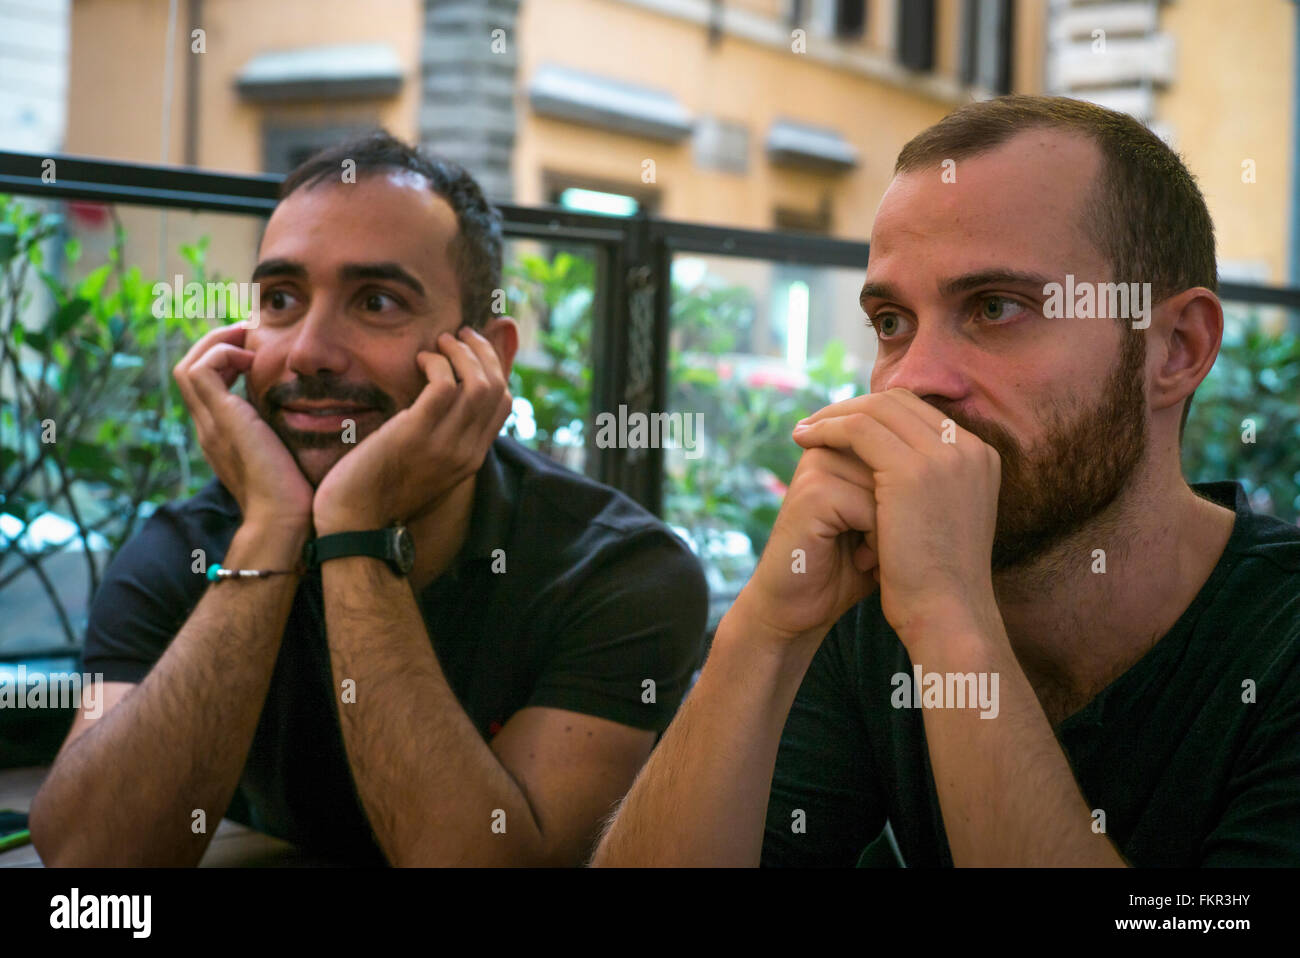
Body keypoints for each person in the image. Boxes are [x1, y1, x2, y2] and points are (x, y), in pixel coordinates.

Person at [591, 94, 1300, 867]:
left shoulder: (1278, 643)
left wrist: (949, 620)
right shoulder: (866, 616)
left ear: (1175, 349)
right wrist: (765, 632)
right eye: (892, 323)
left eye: (996, 308)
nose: (916, 380)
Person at [30, 131, 708, 867]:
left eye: (376, 301)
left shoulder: (619, 571)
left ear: (488, 358)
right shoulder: (188, 546)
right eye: (281, 299)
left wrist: (354, 530)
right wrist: (273, 529)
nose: (308, 351)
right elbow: (91, 866)